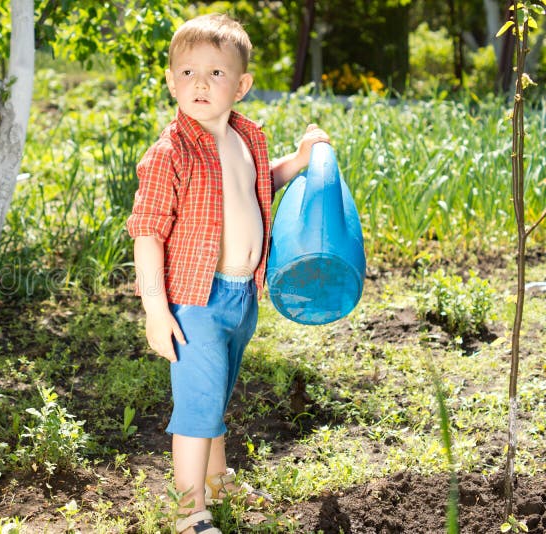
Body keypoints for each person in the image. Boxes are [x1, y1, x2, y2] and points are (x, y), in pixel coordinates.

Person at [126, 13, 330, 534]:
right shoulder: (169, 153)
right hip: (193, 301)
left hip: (241, 297)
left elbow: (261, 184)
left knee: (215, 396)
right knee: (196, 408)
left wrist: (300, 160)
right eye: (188, 72)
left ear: (241, 86)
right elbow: (147, 233)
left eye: (216, 74)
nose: (200, 83)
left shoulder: (248, 139)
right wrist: (155, 309)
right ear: (171, 81)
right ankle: (189, 512)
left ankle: (218, 484)